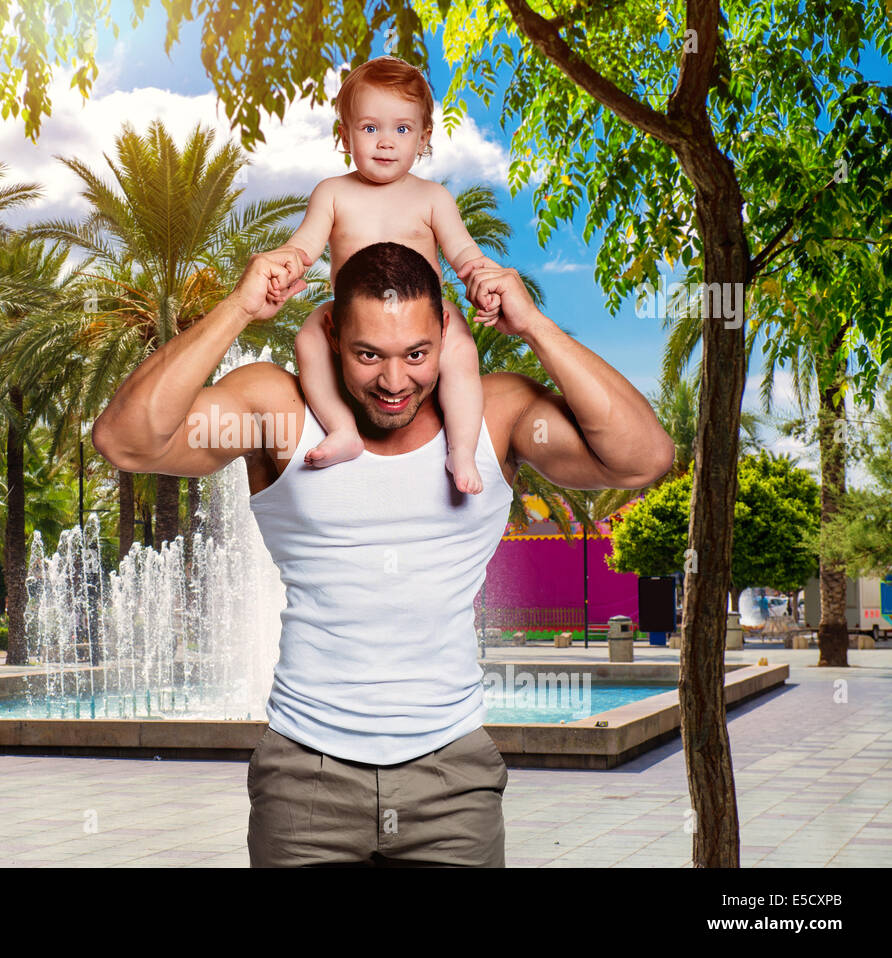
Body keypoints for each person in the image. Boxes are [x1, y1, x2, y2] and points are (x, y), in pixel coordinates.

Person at [92, 241, 674, 867]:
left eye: (416, 354)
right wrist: (238, 308)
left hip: (453, 780)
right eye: (369, 354)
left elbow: (643, 458)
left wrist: (533, 326)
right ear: (332, 335)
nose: (395, 383)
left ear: (446, 332)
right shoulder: (277, 410)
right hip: (304, 782)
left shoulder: (496, 415)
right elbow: (126, 441)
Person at [267, 55, 502, 494]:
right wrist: (285, 264)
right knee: (308, 338)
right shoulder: (333, 192)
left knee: (462, 353)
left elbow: (463, 252)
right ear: (345, 136)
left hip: (423, 316)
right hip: (353, 317)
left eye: (402, 129)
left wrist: (482, 280)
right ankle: (343, 430)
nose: (386, 142)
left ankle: (463, 449)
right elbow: (305, 244)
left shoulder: (432, 197)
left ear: (424, 138)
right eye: (370, 128)